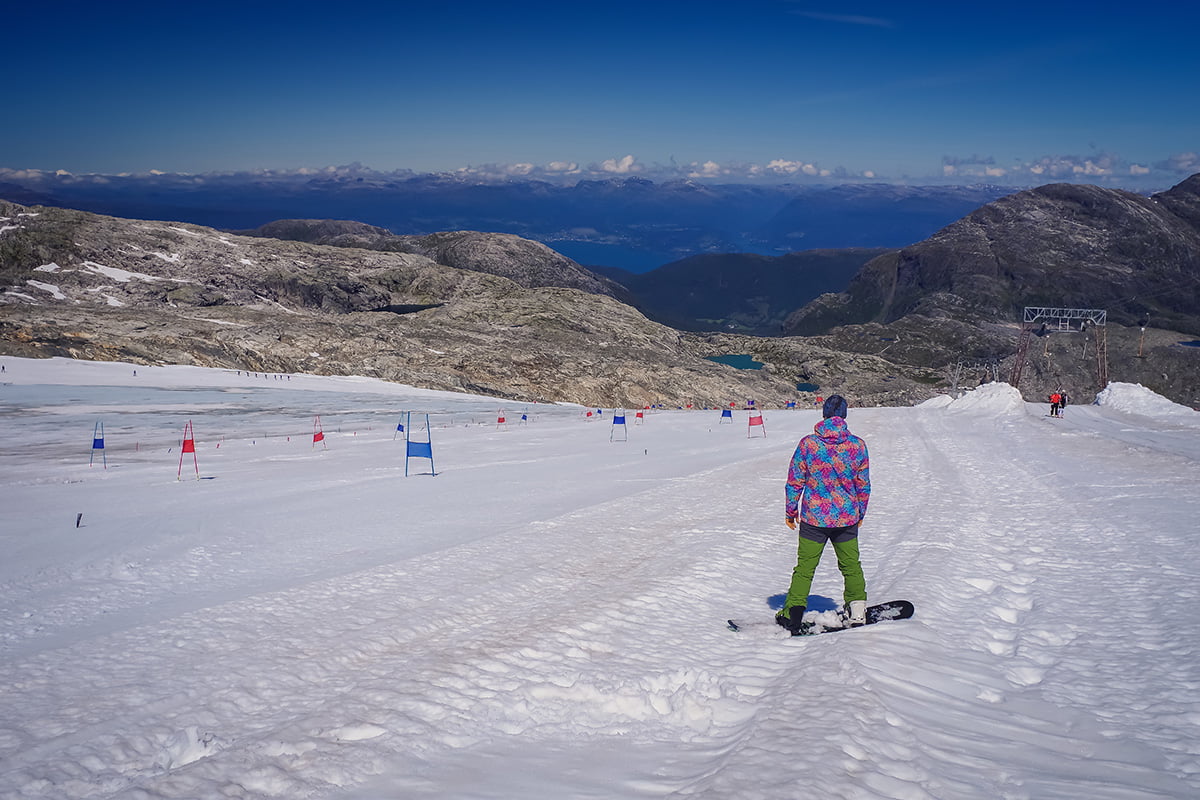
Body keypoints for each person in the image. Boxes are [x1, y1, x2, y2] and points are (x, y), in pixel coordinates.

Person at [776, 394, 871, 635]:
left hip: (814, 519)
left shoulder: (809, 444)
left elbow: (794, 480)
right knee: (851, 566)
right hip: (847, 517)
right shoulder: (857, 445)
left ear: (824, 414)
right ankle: (858, 611)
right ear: (845, 415)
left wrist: (790, 510)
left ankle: (793, 613)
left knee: (805, 568)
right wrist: (861, 512)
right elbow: (863, 484)